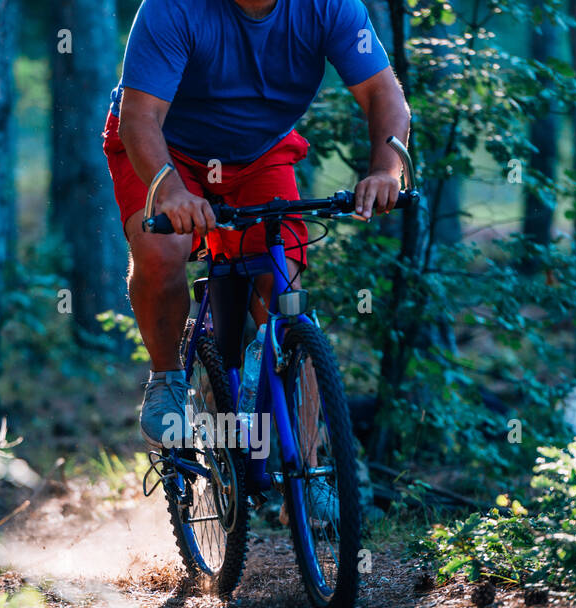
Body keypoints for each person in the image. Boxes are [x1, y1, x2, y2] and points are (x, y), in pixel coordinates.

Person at [102, 0, 411, 447]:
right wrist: (169, 190)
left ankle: (308, 471)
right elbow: (139, 118)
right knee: (162, 248)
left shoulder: (331, 6)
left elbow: (385, 95)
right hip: (165, 147)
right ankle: (167, 379)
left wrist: (385, 171)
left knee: (284, 291)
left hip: (259, 151)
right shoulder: (172, 8)